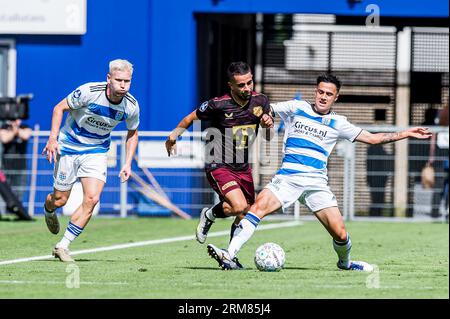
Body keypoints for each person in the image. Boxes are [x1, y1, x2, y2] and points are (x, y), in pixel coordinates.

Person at [207, 74, 432, 271]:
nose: (323, 97)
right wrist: (264, 116)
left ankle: (345, 263)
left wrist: (407, 133)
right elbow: (263, 107)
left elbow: (373, 138)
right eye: (320, 92)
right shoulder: (297, 107)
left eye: (329, 94)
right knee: (255, 210)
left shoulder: (338, 122)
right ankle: (230, 254)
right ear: (316, 92)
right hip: (288, 178)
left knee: (341, 234)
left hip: (316, 183)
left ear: (336, 98)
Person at [165, 62, 273, 268]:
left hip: (243, 166)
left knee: (243, 212)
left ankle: (228, 252)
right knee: (239, 206)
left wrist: (268, 124)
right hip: (219, 162)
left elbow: (267, 134)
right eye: (241, 85)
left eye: (249, 82)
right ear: (230, 85)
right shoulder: (218, 104)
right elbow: (190, 118)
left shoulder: (261, 101)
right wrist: (172, 137)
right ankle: (210, 216)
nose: (247, 88)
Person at [42, 59, 140, 262]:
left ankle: (63, 245)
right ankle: (49, 209)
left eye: (127, 81)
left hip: (96, 151)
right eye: (119, 80)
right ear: (109, 79)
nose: (123, 85)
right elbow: (59, 108)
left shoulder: (130, 105)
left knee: (92, 199)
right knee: (60, 200)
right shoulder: (89, 91)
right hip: (68, 147)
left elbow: (133, 132)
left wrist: (127, 162)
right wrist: (52, 139)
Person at [0, 119, 33, 202]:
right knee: (5, 193)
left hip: (21, 168)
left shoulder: (24, 127)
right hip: (6, 167)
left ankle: (17, 211)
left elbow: (26, 135)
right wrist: (15, 131)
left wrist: (14, 130)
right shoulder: (4, 127)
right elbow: (4, 138)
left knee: (19, 192)